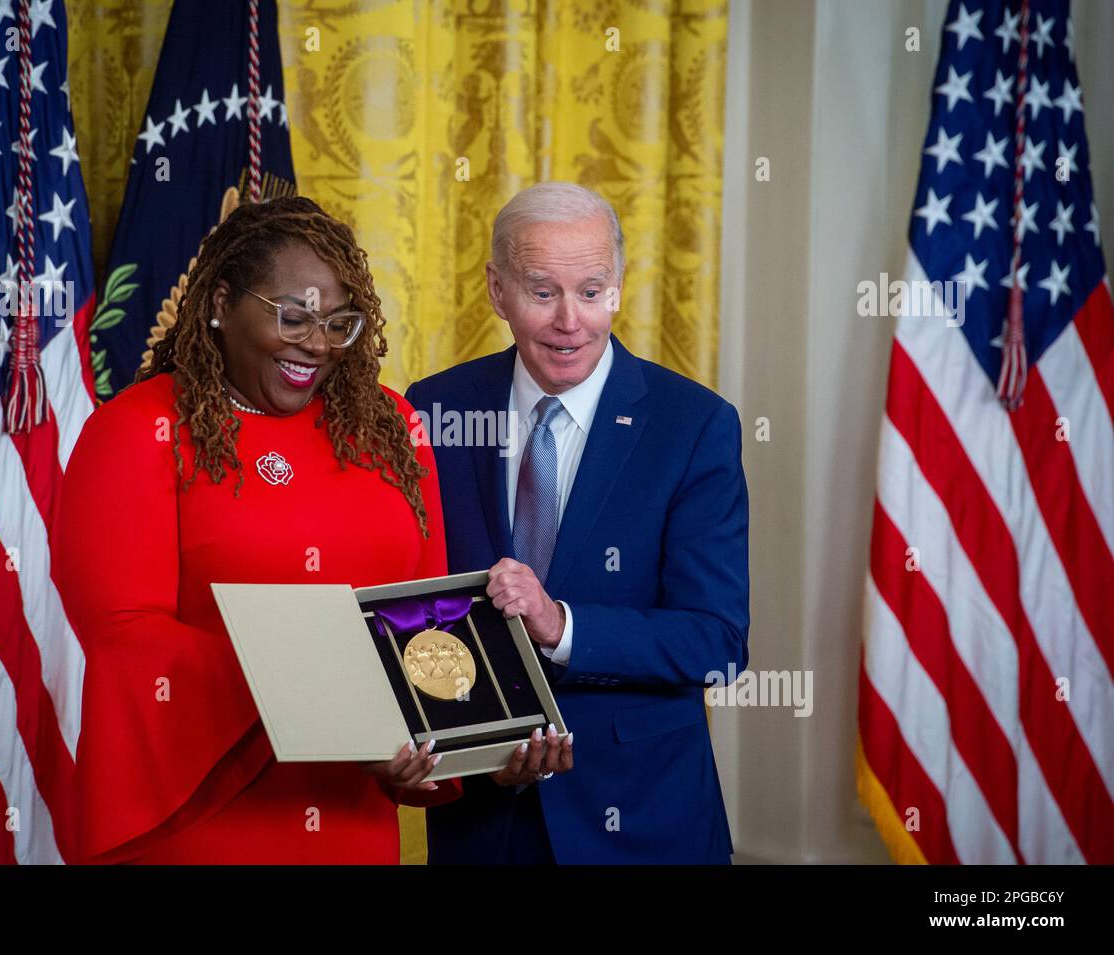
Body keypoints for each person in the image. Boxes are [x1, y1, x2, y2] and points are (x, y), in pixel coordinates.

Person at [54, 197, 544, 864]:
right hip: (199, 817)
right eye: (293, 316)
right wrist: (340, 711)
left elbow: (422, 618)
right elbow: (125, 637)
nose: (317, 343)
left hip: (351, 816)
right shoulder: (137, 431)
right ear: (221, 304)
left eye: (339, 322)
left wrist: (469, 739)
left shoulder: (391, 428)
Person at [405, 182, 750, 864]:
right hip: (483, 823)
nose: (571, 320)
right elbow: (418, 605)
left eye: (591, 291)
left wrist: (561, 625)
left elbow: (716, 640)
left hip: (643, 823)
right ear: (497, 290)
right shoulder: (433, 406)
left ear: (618, 286)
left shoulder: (694, 425)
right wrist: (476, 748)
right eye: (542, 292)